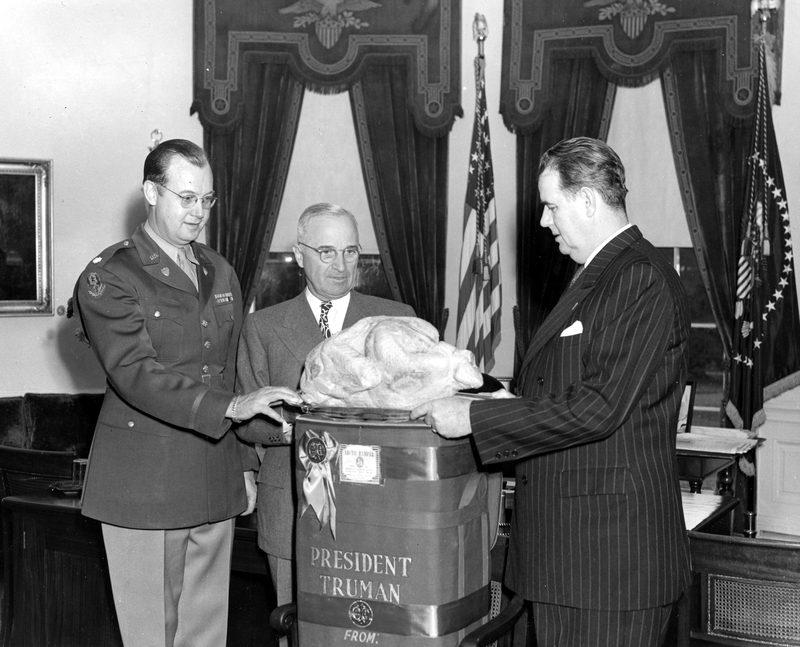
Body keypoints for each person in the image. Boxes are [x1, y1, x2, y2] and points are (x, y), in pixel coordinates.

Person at [412, 137, 691, 647]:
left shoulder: (639, 279)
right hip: (573, 556)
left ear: (586, 201)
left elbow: (598, 408)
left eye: (551, 205)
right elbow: (566, 388)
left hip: (609, 566)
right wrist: (492, 399)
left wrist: (474, 420)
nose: (544, 222)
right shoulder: (599, 275)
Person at [73, 139, 301, 647]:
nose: (199, 212)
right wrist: (233, 409)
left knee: (204, 634)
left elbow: (230, 371)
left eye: (208, 200)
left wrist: (244, 466)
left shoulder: (218, 270)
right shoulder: (109, 276)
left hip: (214, 474)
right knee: (153, 635)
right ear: (151, 193)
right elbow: (136, 373)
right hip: (144, 483)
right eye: (187, 197)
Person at [235, 203, 415, 621]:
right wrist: (302, 428)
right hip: (292, 510)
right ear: (299, 256)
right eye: (326, 252)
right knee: (296, 629)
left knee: (373, 630)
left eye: (350, 251)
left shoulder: (395, 318)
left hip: (378, 507)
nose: (340, 265)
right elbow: (248, 424)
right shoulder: (262, 326)